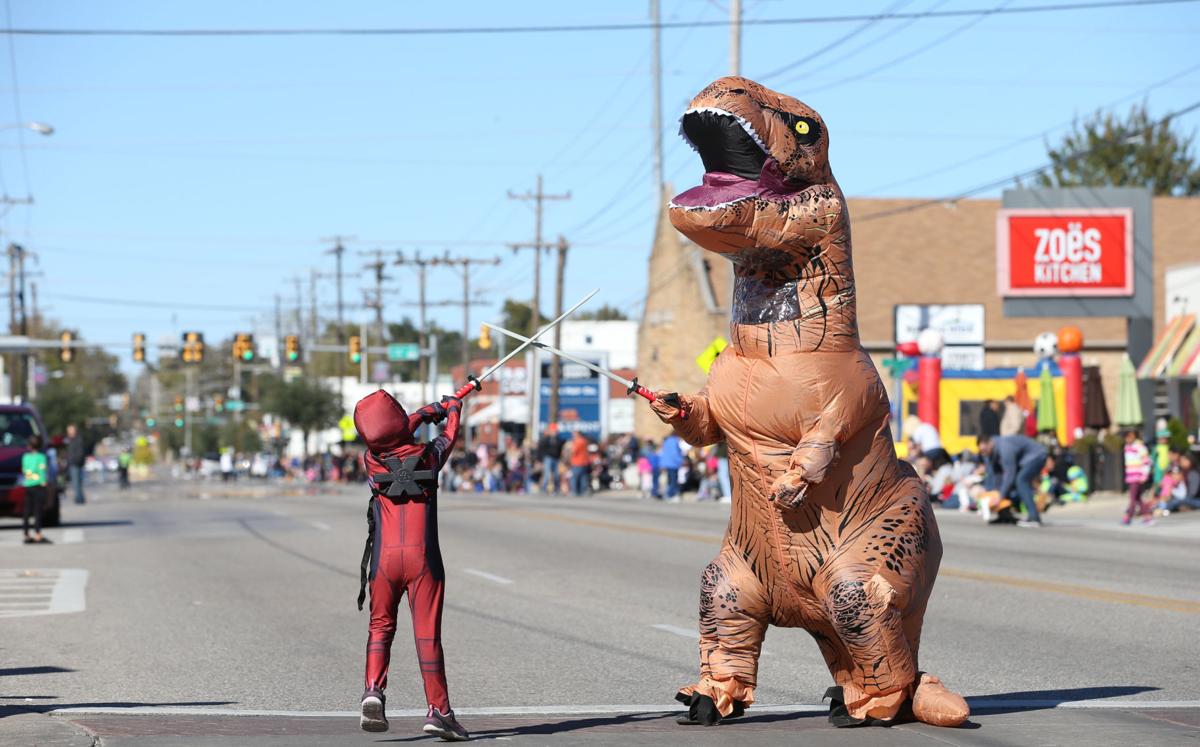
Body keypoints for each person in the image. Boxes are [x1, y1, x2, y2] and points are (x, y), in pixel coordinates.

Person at [353, 390, 469, 741]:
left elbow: (393, 433)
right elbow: (449, 435)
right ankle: (439, 711)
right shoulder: (429, 455)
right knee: (427, 635)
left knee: (380, 626)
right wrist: (452, 409)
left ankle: (373, 690)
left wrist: (423, 413)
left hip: (384, 561)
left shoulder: (371, 459)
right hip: (423, 560)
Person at [977, 433, 1047, 527]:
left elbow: (1010, 475)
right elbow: (994, 475)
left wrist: (1000, 496)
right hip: (1023, 460)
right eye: (981, 452)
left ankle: (1034, 517)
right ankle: (1004, 515)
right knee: (1003, 485)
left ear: (990, 444)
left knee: (1021, 481)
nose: (984, 454)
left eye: (984, 450)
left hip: (1037, 455)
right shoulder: (991, 452)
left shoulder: (1005, 448)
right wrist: (990, 494)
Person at [22, 434, 51, 544]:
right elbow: (42, 471)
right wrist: (44, 482)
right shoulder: (41, 457)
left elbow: (25, 470)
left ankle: (26, 534)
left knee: (27, 511)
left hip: (28, 485)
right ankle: (38, 533)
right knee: (37, 511)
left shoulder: (25, 457)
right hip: (38, 486)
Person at [1121, 428, 1154, 526]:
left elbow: (1147, 462)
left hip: (1137, 476)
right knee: (1138, 498)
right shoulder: (1127, 447)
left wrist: (1144, 474)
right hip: (1131, 476)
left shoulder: (1140, 447)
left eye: (1131, 436)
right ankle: (1147, 517)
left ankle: (1128, 517)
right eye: (1127, 436)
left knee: (1133, 498)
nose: (1128, 438)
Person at [658, 433, 684, 501]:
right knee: (673, 481)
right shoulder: (674, 441)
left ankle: (667, 494)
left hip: (666, 463)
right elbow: (674, 453)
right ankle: (670, 495)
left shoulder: (667, 441)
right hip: (673, 464)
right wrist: (680, 461)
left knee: (669, 480)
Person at [536, 424, 561, 495]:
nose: (555, 432)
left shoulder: (558, 439)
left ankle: (557, 490)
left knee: (556, 475)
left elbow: (559, 449)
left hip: (556, 459)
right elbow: (540, 449)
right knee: (547, 474)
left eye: (556, 431)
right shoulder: (546, 439)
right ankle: (543, 489)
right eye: (554, 431)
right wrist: (539, 460)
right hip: (548, 458)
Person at [65, 423, 86, 505]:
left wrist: (74, 460)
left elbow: (80, 453)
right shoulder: (70, 440)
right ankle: (80, 497)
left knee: (76, 482)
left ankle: (79, 498)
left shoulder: (78, 440)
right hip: (73, 463)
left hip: (76, 463)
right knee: (77, 482)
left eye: (70, 430)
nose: (69, 432)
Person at [568, 432, 592, 497]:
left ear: (578, 435)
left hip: (577, 462)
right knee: (583, 477)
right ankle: (584, 491)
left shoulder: (577, 441)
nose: (573, 436)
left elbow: (573, 451)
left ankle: (574, 491)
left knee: (574, 477)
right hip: (585, 462)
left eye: (574, 435)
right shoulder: (584, 441)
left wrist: (569, 452)